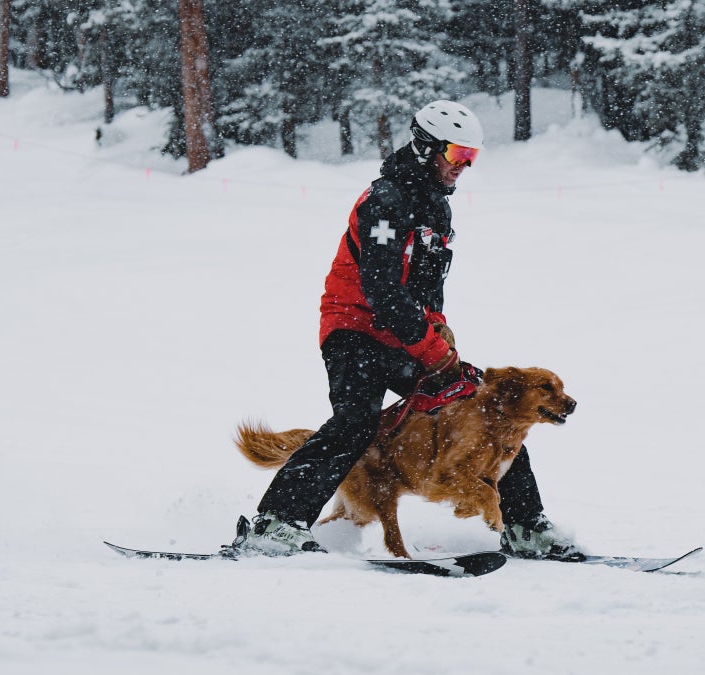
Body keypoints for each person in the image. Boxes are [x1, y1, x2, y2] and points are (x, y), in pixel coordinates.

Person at [223, 100, 581, 561]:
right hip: (353, 329)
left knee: (493, 410)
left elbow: (426, 291)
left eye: (471, 158)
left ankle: (526, 527)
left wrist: (441, 333)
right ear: (424, 147)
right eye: (456, 156)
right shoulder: (385, 203)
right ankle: (274, 525)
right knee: (356, 422)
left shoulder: (436, 209)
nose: (463, 168)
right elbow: (383, 292)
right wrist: (433, 353)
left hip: (404, 336)